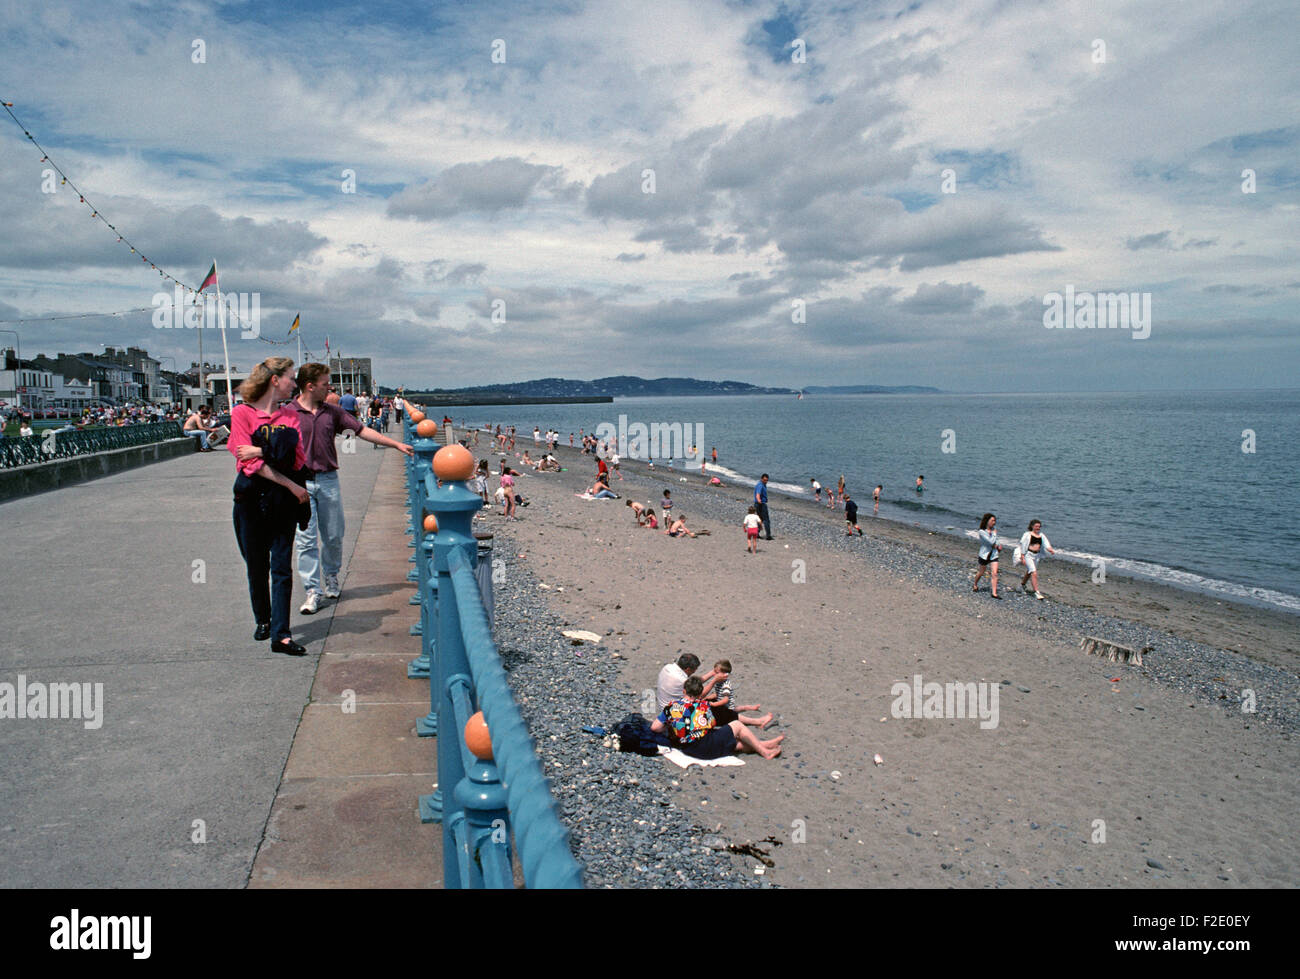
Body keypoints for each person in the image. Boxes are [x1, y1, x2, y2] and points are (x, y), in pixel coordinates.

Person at [288, 364, 414, 615]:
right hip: (299, 483)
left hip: (327, 480)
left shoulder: (331, 412)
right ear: (310, 386)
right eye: (325, 384)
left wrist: (396, 444)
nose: (330, 388)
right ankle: (313, 590)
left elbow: (362, 430)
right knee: (305, 540)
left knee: (333, 535)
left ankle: (331, 575)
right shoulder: (287, 413)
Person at [229, 357, 310, 655]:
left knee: (281, 567)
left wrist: (261, 448)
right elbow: (248, 463)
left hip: (281, 504)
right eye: (290, 377)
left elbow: (296, 458)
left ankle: (281, 634)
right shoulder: (241, 413)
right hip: (250, 500)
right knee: (256, 565)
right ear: (275, 380)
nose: (294, 383)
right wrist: (290, 482)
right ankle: (263, 619)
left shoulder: (290, 414)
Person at [652, 676, 784, 760]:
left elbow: (655, 727)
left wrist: (672, 727)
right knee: (736, 726)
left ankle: (765, 745)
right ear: (699, 693)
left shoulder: (671, 707)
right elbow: (711, 724)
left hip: (689, 749)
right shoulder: (703, 705)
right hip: (706, 748)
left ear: (684, 691)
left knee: (734, 741)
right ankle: (764, 751)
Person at [701, 659, 772, 728]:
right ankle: (746, 708)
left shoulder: (725, 685)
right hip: (723, 703)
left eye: (716, 673)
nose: (714, 675)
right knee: (731, 709)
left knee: (730, 713)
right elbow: (718, 693)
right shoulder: (719, 682)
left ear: (725, 674)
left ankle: (757, 721)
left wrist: (714, 704)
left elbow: (725, 699)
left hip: (725, 705)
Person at [1016, 519, 1055, 599]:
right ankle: (1036, 592)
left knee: (1029, 572)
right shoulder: (1027, 534)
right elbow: (1023, 545)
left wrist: (1050, 549)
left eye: (1039, 526)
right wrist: (1022, 556)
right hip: (1028, 555)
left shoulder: (1041, 535)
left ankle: (1021, 586)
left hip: (1036, 556)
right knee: (1034, 572)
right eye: (1036, 526)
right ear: (1032, 526)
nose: (1038, 528)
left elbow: (1046, 544)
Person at [973, 512, 1002, 599]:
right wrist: (994, 534)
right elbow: (990, 541)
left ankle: (994, 593)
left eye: (995, 520)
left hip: (994, 554)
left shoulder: (994, 530)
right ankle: (975, 584)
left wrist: (999, 546)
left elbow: (996, 541)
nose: (994, 522)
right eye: (992, 520)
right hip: (984, 555)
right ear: (987, 521)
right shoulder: (982, 531)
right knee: (981, 572)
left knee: (994, 573)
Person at [754, 474, 772, 540]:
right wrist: (759, 500)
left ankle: (756, 533)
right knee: (766, 520)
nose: (765, 481)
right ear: (761, 479)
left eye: (767, 480)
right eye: (764, 480)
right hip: (761, 504)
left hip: (759, 504)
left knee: (760, 519)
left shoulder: (762, 484)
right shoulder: (760, 485)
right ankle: (768, 535)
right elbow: (758, 494)